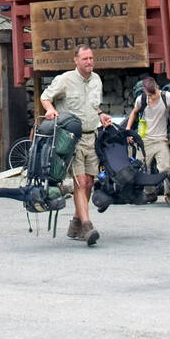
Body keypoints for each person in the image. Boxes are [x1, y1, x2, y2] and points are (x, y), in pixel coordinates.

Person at [41, 44, 114, 245]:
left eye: (91, 58)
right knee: (80, 182)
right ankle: (87, 226)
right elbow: (45, 97)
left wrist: (101, 115)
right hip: (72, 139)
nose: (89, 61)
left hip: (93, 137)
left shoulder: (97, 80)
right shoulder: (65, 80)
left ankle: (76, 222)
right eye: (85, 58)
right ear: (76, 60)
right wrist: (50, 110)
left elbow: (93, 105)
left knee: (89, 182)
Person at [126, 76, 170, 200]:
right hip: (144, 139)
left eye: (153, 95)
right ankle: (150, 193)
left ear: (157, 88)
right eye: (148, 96)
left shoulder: (167, 97)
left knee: (165, 168)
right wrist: (128, 131)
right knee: (140, 167)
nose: (151, 99)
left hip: (161, 140)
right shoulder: (142, 99)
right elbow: (134, 113)